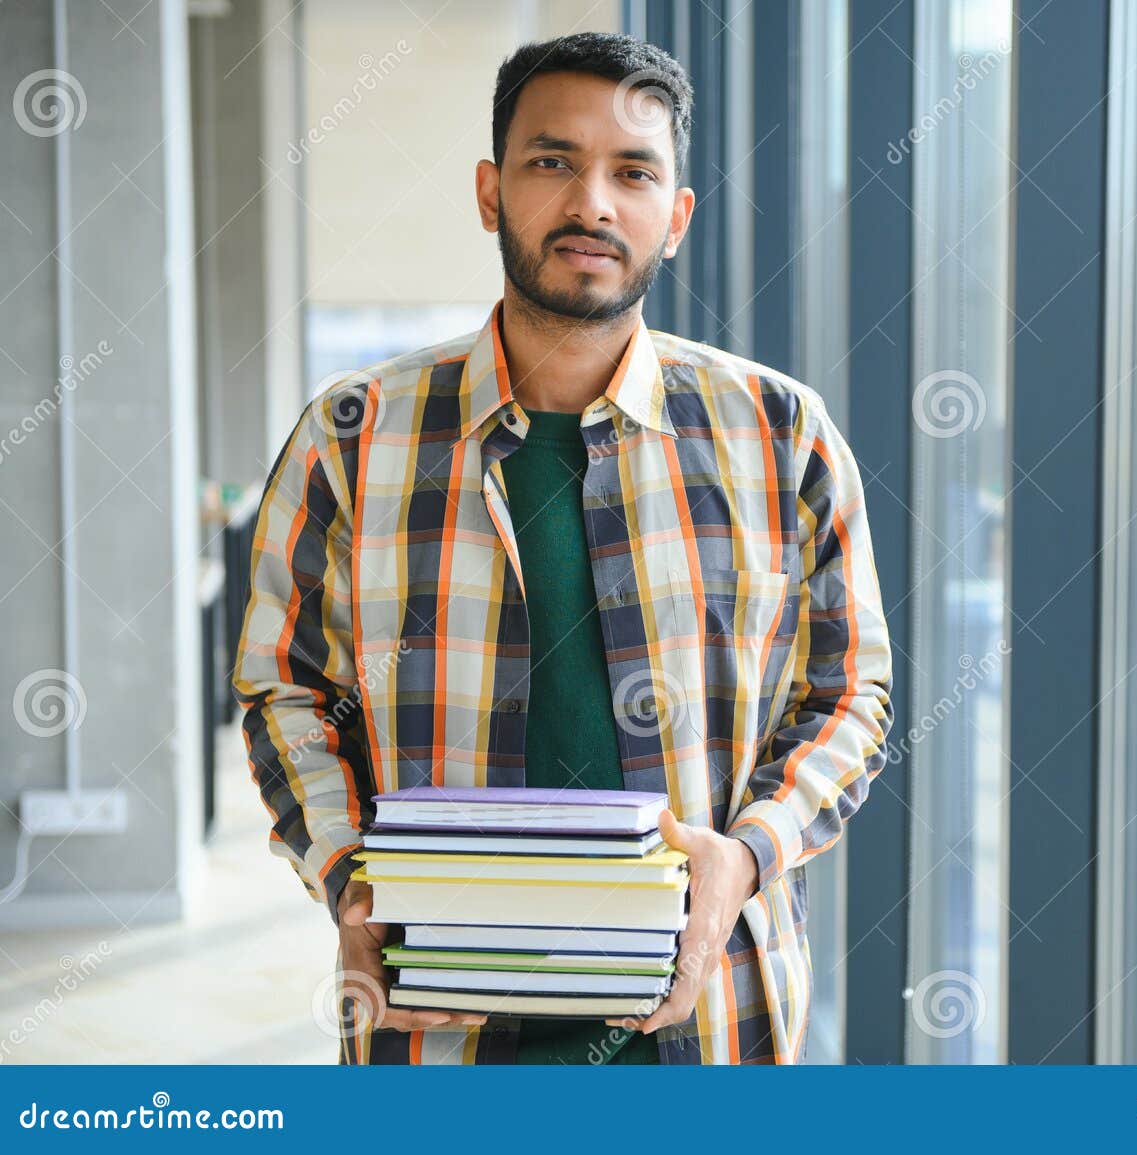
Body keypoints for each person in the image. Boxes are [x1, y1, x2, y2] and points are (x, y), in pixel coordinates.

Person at [231, 31, 893, 1066]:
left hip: (713, 1020)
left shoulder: (781, 433)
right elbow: (285, 690)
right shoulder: (353, 433)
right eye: (553, 162)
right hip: (436, 1029)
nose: (592, 203)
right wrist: (348, 876)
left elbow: (848, 695)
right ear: (492, 192)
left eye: (632, 172)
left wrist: (750, 853)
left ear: (674, 218)